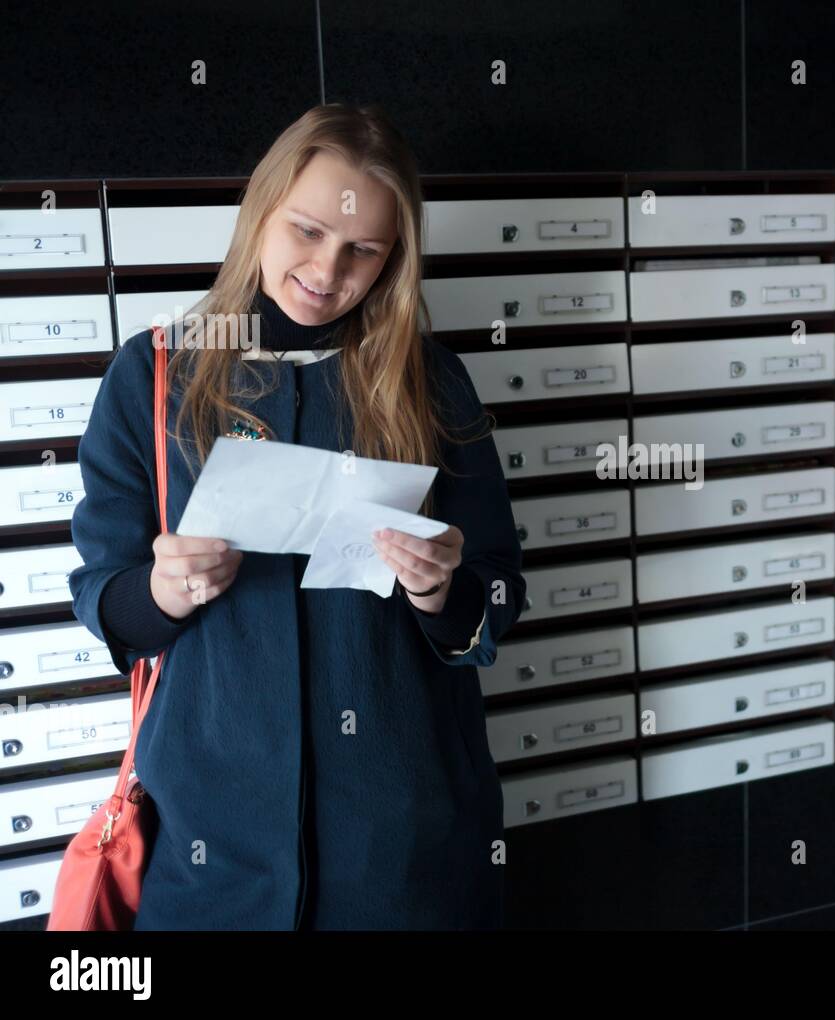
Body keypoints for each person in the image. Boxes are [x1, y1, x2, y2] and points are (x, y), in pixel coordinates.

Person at [66, 103, 525, 930]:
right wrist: (165, 592)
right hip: (209, 853)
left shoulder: (433, 381)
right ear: (260, 212)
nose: (327, 268)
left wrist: (440, 592)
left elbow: (497, 601)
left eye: (363, 249)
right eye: (306, 231)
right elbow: (104, 596)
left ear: (394, 257)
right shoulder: (153, 376)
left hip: (403, 854)